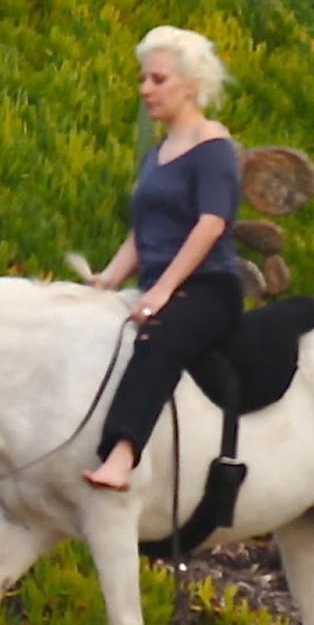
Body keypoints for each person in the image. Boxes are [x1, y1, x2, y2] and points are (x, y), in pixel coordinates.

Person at [83, 25, 245, 492]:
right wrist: (109, 278)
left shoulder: (212, 142)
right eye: (144, 79)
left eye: (157, 80)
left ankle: (122, 454)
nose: (144, 90)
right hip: (164, 285)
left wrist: (161, 290)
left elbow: (211, 223)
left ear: (191, 85)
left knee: (159, 340)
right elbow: (145, 230)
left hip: (209, 289)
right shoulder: (158, 154)